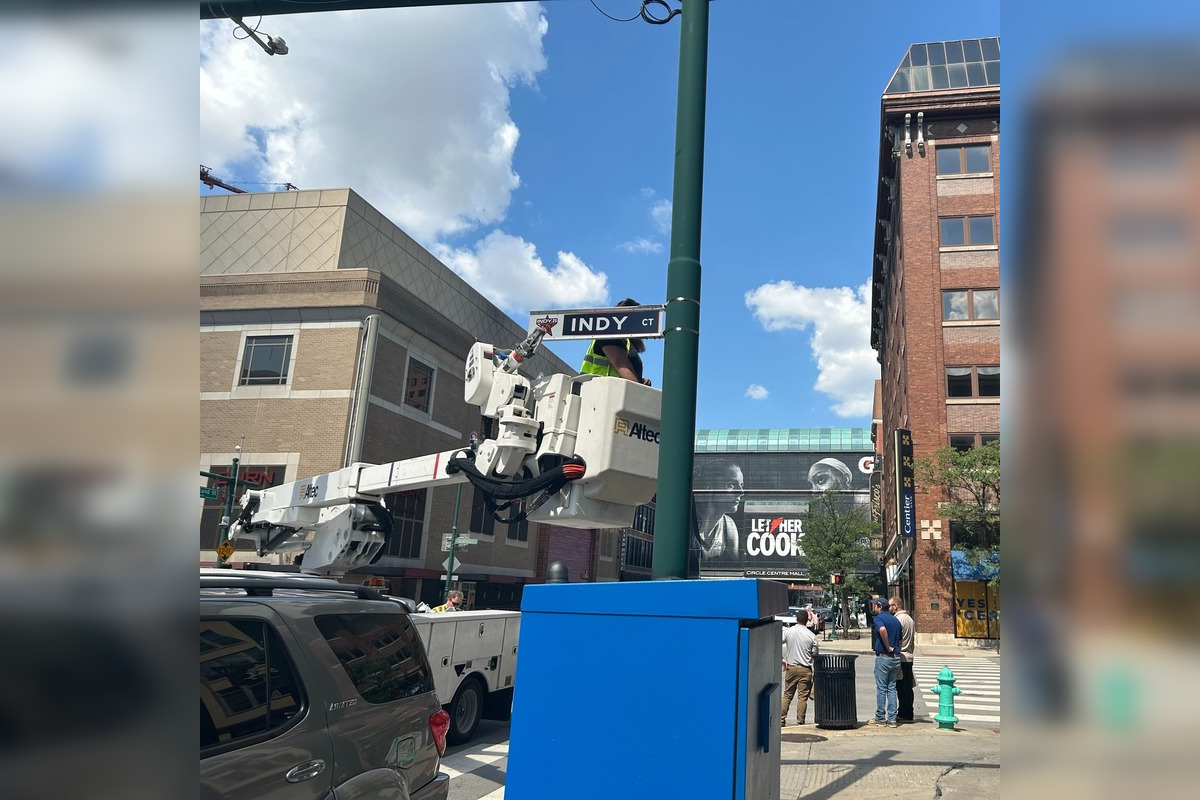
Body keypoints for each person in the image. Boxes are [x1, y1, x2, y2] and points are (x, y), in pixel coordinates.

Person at [579, 298, 653, 385]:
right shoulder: (610, 332)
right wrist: (639, 390)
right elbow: (620, 362)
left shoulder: (625, 341)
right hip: (602, 389)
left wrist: (640, 380)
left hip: (607, 389)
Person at [692, 460, 744, 563]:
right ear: (709, 488)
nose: (741, 492)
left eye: (741, 485)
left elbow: (735, 569)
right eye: (731, 485)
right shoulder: (687, 526)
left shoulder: (729, 525)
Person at [781, 609, 820, 726]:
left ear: (796, 619)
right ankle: (800, 720)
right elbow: (815, 653)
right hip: (805, 669)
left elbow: (777, 642)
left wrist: (782, 658)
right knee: (802, 697)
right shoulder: (811, 635)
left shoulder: (789, 632)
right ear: (807, 621)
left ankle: (781, 719)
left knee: (787, 695)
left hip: (791, 667)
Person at [868, 597, 902, 727]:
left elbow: (882, 630)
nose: (873, 607)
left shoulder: (879, 619)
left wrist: (887, 647)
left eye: (875, 605)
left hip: (884, 657)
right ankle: (892, 719)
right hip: (895, 658)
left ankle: (880, 718)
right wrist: (896, 650)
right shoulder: (895, 620)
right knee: (892, 688)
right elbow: (900, 640)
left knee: (882, 688)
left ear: (880, 607)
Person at [890, 596, 916, 721]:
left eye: (890, 605)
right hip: (909, 656)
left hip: (902, 657)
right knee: (907, 687)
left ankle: (904, 713)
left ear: (895, 606)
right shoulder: (909, 619)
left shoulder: (898, 620)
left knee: (902, 688)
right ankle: (908, 712)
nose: (889, 608)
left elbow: (896, 640)